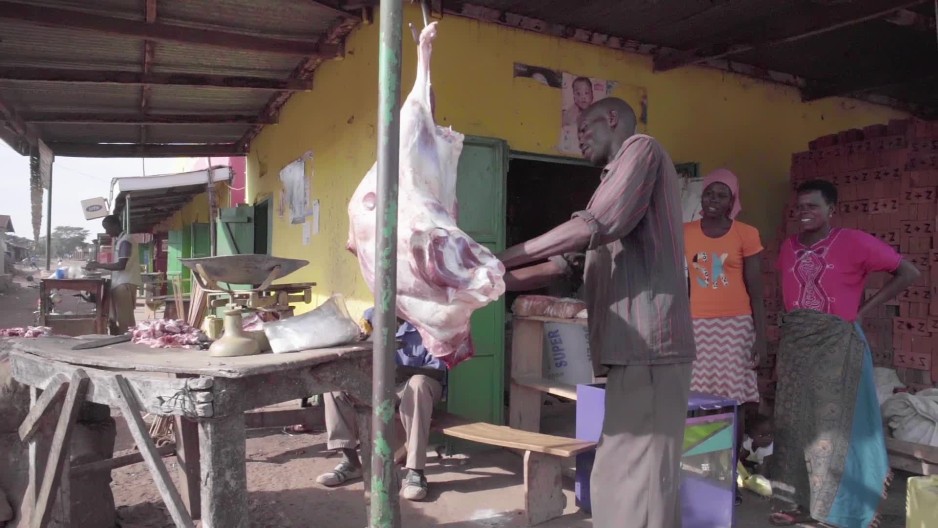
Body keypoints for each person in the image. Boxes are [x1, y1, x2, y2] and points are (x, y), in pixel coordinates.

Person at [500, 97, 695, 528]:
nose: (578, 141)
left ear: (612, 119)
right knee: (627, 478)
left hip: (651, 347)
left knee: (634, 484)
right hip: (631, 352)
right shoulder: (612, 185)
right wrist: (486, 279)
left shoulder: (641, 151)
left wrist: (500, 258)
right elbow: (560, 264)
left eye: (585, 130)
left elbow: (592, 226)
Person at [769, 179, 919, 527]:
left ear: (831, 210)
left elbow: (907, 272)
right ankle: (795, 505)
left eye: (814, 206)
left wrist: (863, 311)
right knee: (794, 427)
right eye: (801, 206)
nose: (805, 212)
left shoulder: (852, 242)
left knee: (837, 431)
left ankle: (839, 512)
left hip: (839, 346)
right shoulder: (789, 247)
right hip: (797, 347)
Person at [315, 307, 446, 502]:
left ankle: (415, 472)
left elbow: (438, 372)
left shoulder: (428, 320)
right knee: (336, 386)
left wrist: (398, 371)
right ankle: (351, 463)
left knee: (417, 385)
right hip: (380, 386)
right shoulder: (370, 315)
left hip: (415, 385)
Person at [683, 169, 765, 441]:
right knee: (696, 396)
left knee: (734, 399)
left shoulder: (747, 233)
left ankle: (732, 464)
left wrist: (760, 338)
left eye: (722, 195)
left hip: (736, 325)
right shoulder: (685, 232)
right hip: (697, 324)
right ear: (702, 196)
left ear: (732, 201)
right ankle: (699, 460)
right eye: (709, 193)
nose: (714, 199)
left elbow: (756, 290)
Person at [85, 215, 141, 334]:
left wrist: (98, 265)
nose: (106, 232)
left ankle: (128, 343)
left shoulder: (126, 241)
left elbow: (121, 265)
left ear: (115, 226)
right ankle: (119, 339)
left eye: (107, 228)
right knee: (115, 318)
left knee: (125, 320)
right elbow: (117, 265)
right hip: (120, 283)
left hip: (124, 284)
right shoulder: (121, 240)